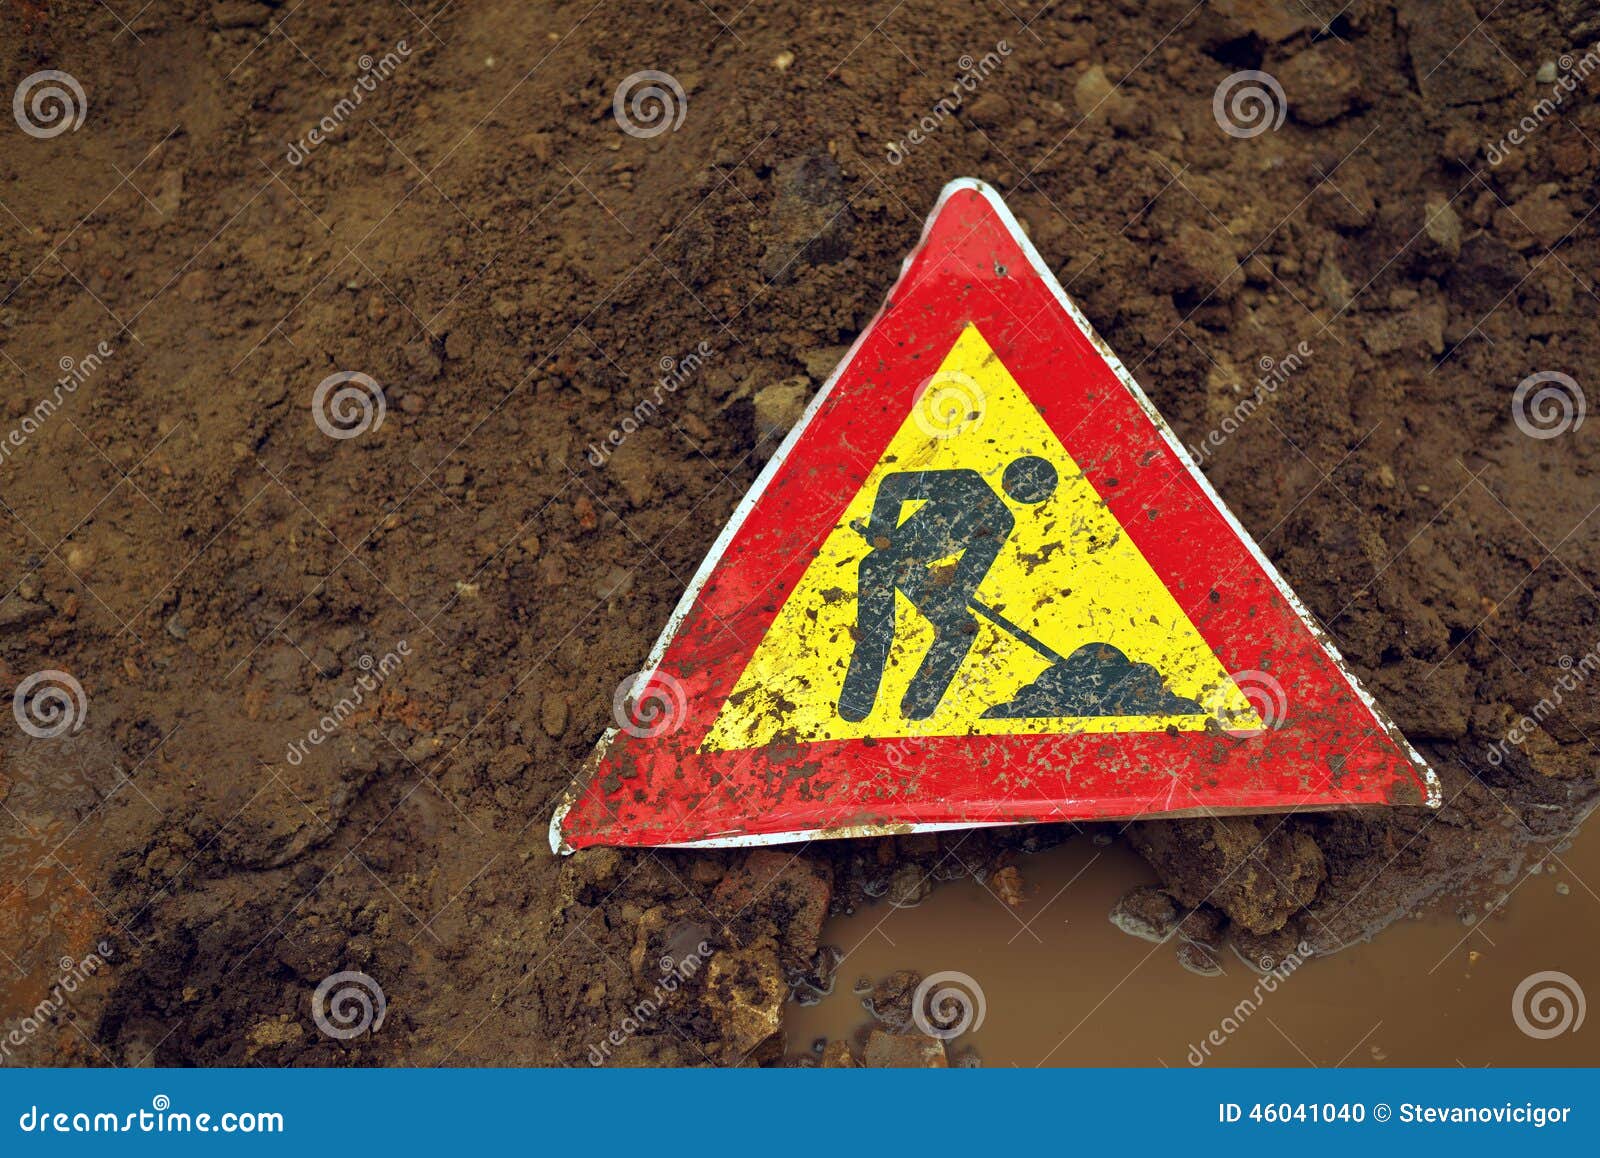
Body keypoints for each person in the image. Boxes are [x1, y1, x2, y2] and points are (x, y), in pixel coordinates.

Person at [838, 455, 1058, 721]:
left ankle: (916, 706)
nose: (1026, 485)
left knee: (959, 627)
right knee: (877, 630)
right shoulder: (965, 481)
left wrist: (950, 596)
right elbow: (894, 483)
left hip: (915, 571)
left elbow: (969, 574)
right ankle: (858, 698)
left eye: (1036, 485)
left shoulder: (1002, 520)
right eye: (1027, 477)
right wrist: (883, 526)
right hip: (883, 561)